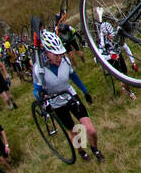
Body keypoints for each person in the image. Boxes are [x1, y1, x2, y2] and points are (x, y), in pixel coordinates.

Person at [32, 30, 102, 162]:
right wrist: (41, 98)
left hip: (70, 96)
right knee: (74, 132)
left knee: (90, 130)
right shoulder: (38, 69)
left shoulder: (65, 60)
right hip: (56, 103)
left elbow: (73, 75)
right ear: (46, 54)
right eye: (56, 55)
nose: (60, 57)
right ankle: (81, 152)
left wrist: (85, 91)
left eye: (61, 54)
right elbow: (36, 89)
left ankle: (95, 149)